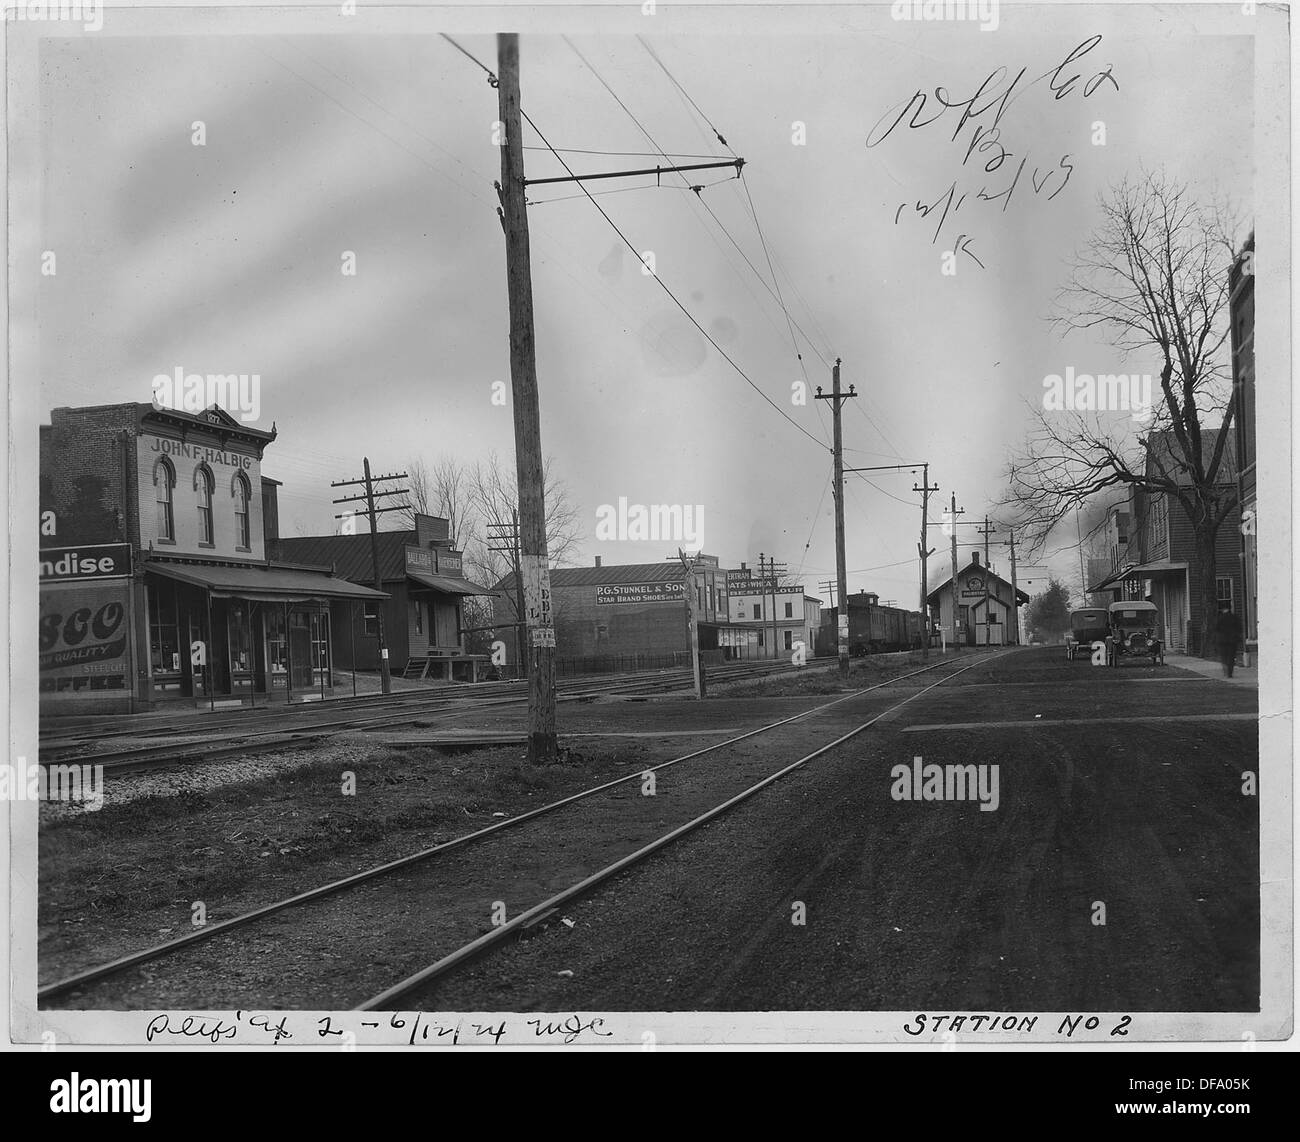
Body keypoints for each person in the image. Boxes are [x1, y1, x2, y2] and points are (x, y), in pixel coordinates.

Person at [1215, 601, 1242, 678]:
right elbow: (1239, 628)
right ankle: (1230, 673)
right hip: (1233, 640)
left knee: (1224, 657)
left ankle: (1225, 672)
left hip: (1222, 641)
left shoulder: (1220, 618)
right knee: (1231, 657)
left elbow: (1216, 629)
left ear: (1223, 609)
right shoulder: (1234, 617)